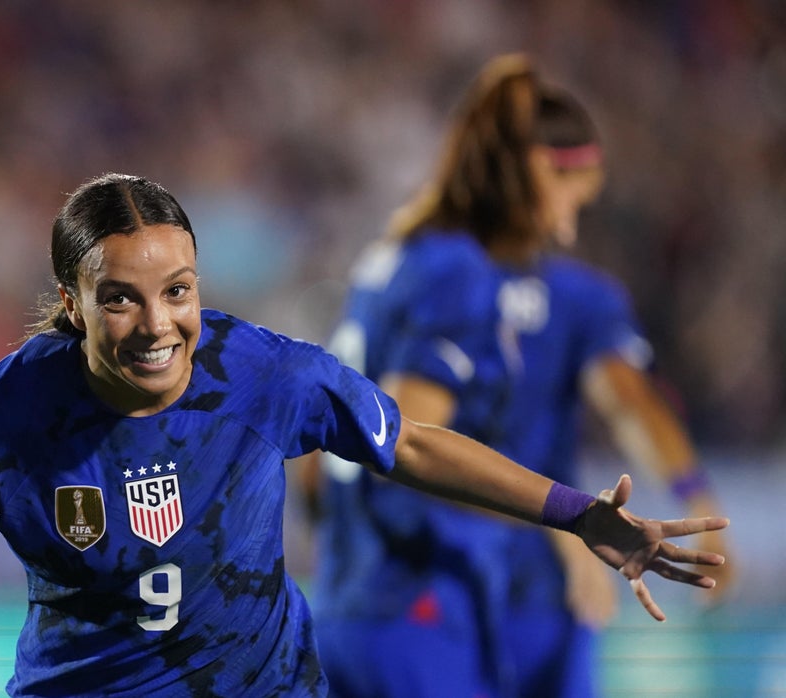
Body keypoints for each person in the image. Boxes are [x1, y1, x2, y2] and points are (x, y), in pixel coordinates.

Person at [0, 172, 727, 698]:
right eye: (121, 299)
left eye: (176, 290)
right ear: (74, 302)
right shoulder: (8, 411)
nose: (158, 322)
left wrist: (577, 510)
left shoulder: (258, 370)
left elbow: (409, 443)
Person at [304, 54, 734, 698]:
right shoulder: (461, 275)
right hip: (421, 600)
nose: (569, 224)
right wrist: (568, 521)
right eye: (571, 197)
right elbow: (406, 440)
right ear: (536, 174)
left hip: (355, 594)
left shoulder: (393, 257)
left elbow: (329, 452)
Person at [496, 82, 736, 698]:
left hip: (417, 580)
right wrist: (698, 502)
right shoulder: (576, 298)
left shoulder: (407, 279)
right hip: (533, 580)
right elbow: (628, 401)